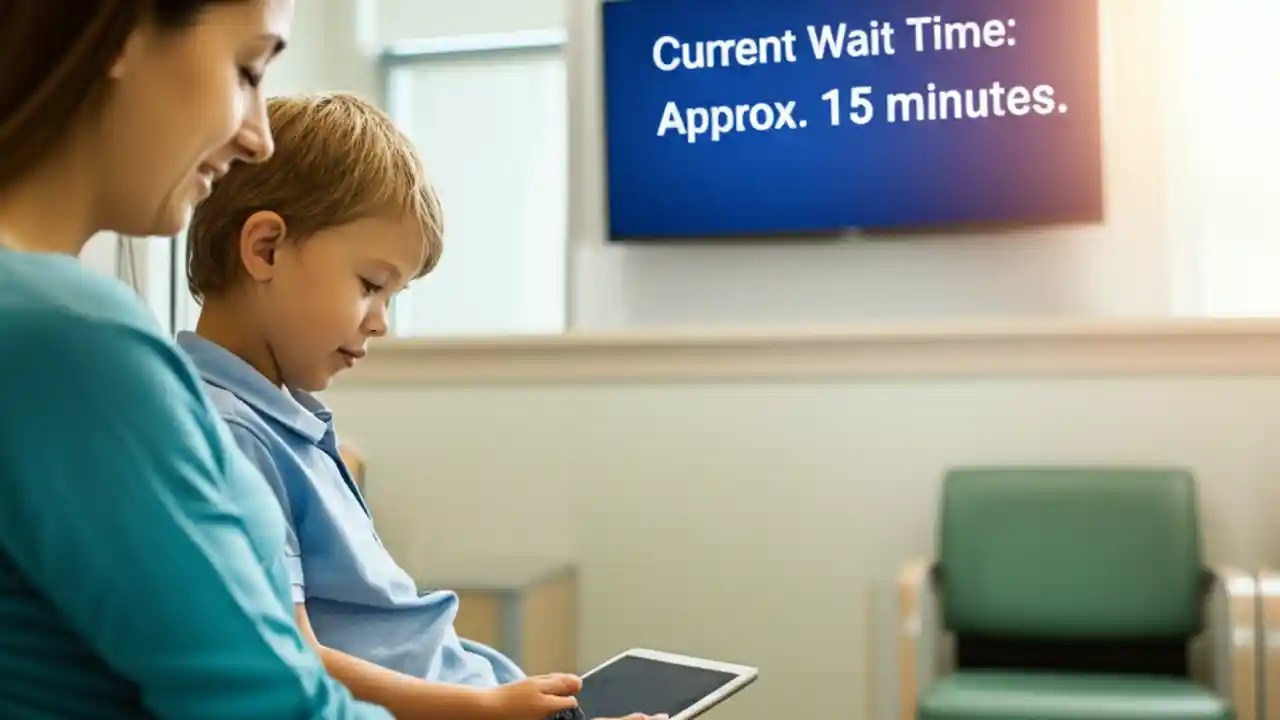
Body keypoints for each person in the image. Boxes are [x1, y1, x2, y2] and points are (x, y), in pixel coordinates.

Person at [0, 3, 651, 719]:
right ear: (123, 33)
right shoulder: (70, 343)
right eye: (247, 69)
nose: (255, 135)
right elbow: (276, 698)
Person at [179, 91, 663, 720]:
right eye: (371, 286)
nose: (380, 322)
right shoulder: (231, 433)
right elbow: (285, 658)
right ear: (266, 249)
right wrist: (483, 708)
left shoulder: (282, 418)